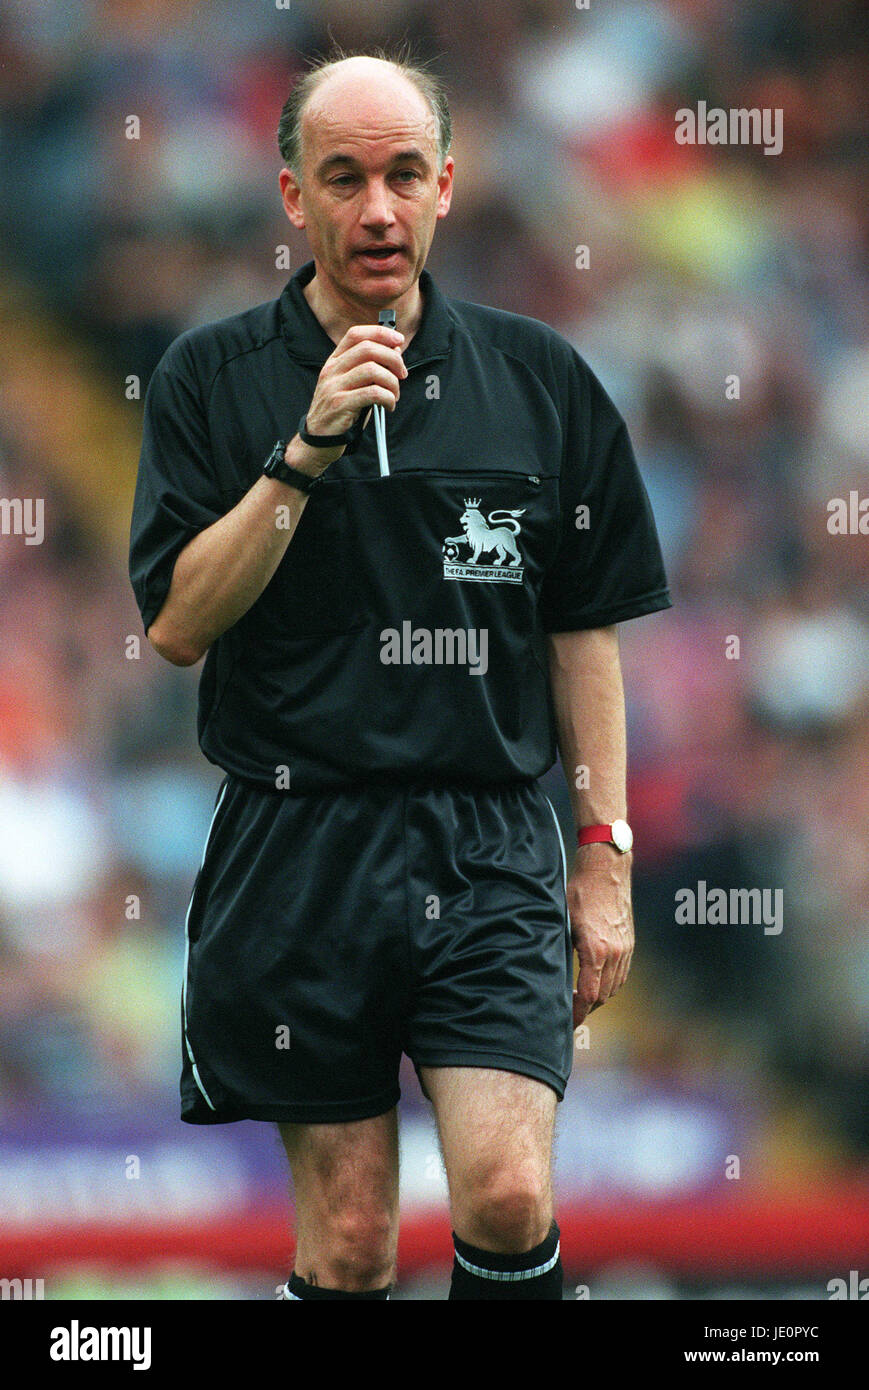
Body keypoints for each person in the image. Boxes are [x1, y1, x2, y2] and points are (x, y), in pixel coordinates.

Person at [128, 48, 671, 1301]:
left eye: (403, 174)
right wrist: (304, 448)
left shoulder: (540, 379)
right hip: (297, 836)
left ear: (445, 187)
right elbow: (175, 623)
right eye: (344, 178)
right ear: (290, 198)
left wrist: (602, 852)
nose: (376, 208)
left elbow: (585, 627)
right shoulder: (211, 378)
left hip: (486, 838)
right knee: (352, 1240)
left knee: (506, 1190)